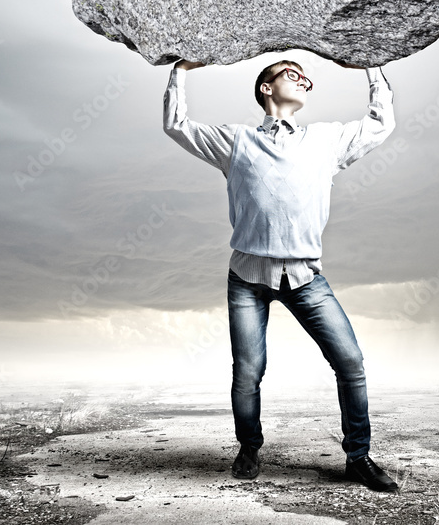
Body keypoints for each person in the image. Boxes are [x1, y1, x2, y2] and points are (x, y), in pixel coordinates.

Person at [163, 55, 399, 492]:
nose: (304, 79)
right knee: (248, 371)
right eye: (292, 73)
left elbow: (380, 122)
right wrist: (180, 69)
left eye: (307, 77)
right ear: (266, 88)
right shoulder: (235, 141)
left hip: (307, 278)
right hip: (248, 279)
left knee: (350, 361)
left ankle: (358, 457)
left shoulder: (326, 141)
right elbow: (177, 124)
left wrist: (372, 64)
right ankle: (249, 447)